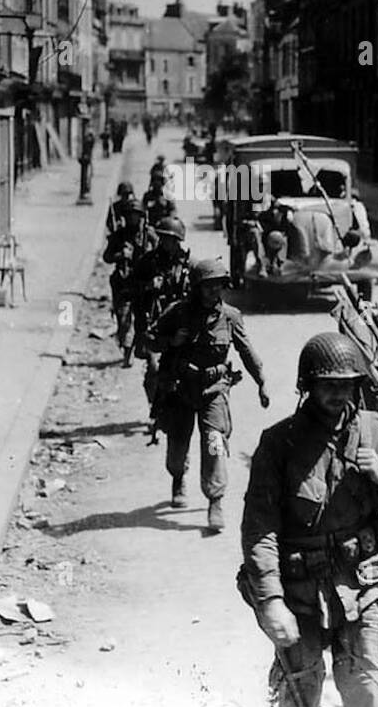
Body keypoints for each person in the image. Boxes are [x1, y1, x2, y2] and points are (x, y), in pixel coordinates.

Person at [240, 332, 378, 707]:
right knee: (301, 703)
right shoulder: (278, 443)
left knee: (370, 694)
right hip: (299, 592)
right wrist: (271, 601)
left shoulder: (376, 431)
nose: (339, 394)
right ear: (308, 386)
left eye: (347, 385)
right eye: (329, 385)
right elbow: (260, 530)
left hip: (362, 587)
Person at [150, 258, 269, 532]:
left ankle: (215, 500)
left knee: (215, 443)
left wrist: (261, 381)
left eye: (219, 286)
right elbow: (150, 339)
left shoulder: (230, 316)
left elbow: (246, 351)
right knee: (177, 445)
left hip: (214, 390)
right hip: (181, 388)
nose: (214, 292)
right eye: (208, 287)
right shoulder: (177, 313)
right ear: (196, 288)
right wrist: (171, 342)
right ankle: (178, 477)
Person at [131, 214, 190, 388]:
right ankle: (157, 410)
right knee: (155, 371)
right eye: (163, 237)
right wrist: (149, 286)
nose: (165, 242)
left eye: (170, 239)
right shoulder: (147, 262)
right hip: (156, 324)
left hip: (182, 325)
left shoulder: (188, 264)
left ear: (178, 240)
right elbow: (133, 292)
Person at [104, 198, 147, 367]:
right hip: (123, 283)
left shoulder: (146, 234)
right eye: (129, 215)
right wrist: (120, 255)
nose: (132, 219)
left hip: (142, 282)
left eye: (136, 215)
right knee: (123, 318)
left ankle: (134, 348)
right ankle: (126, 346)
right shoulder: (119, 235)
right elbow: (107, 257)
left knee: (143, 319)